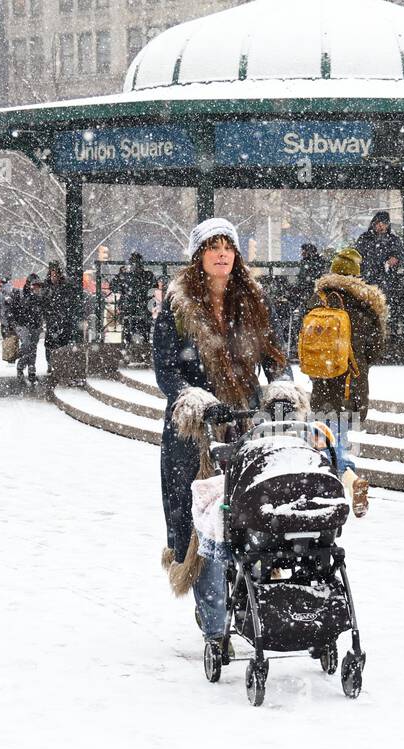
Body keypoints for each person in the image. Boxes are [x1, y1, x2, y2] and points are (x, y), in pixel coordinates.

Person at [153, 217, 291, 653]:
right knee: (205, 526)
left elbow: (274, 356)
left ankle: (257, 604)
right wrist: (197, 401)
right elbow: (166, 371)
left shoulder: (252, 300)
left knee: (256, 516)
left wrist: (282, 387)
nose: (221, 254)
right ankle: (214, 623)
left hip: (246, 423)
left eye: (227, 247)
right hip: (194, 434)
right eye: (212, 247)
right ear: (199, 256)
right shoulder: (177, 309)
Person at [306, 247, 386, 516]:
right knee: (337, 439)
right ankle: (349, 482)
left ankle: (339, 486)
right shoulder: (366, 307)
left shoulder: (318, 301)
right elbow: (376, 351)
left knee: (325, 441)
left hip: (321, 385)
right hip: (351, 388)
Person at [115, 253, 157, 359]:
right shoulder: (148, 275)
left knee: (128, 331)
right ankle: (144, 353)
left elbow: (114, 287)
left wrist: (120, 275)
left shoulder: (126, 276)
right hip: (143, 308)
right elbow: (154, 288)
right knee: (144, 331)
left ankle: (129, 352)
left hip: (129, 309)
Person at [291, 242, 328, 357]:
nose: (302, 253)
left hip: (309, 295)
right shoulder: (314, 262)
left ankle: (306, 343)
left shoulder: (310, 263)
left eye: (304, 251)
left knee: (307, 319)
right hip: (311, 295)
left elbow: (305, 280)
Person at [42, 261, 78, 371]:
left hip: (63, 318)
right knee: (50, 342)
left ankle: (59, 363)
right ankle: (50, 363)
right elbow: (43, 302)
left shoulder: (65, 285)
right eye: (52, 275)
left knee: (62, 341)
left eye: (56, 274)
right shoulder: (47, 286)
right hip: (52, 318)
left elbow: (71, 301)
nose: (54, 277)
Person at [12, 272, 42, 384]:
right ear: (29, 284)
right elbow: (14, 310)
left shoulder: (39, 296)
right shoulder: (20, 294)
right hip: (23, 325)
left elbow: (43, 309)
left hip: (35, 325)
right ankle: (21, 366)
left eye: (38, 285)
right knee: (27, 346)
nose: (36, 287)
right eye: (34, 285)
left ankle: (31, 370)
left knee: (33, 348)